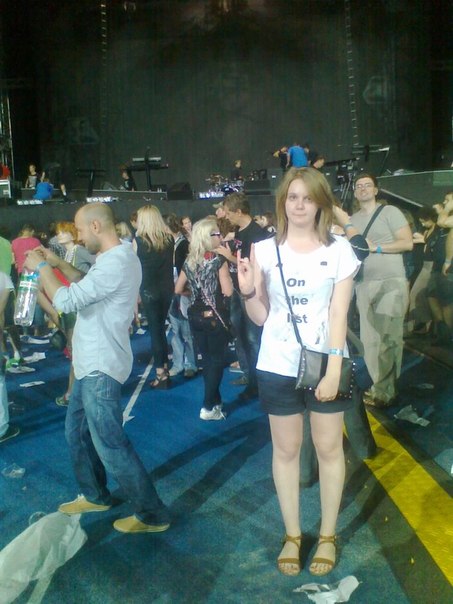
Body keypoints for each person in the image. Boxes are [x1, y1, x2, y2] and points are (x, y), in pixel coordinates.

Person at [237, 167, 360, 576]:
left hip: (326, 363)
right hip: (277, 364)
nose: (300, 205)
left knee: (329, 449)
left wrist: (333, 370)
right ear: (282, 202)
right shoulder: (263, 250)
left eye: (308, 198)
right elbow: (261, 317)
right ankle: (292, 534)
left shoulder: (340, 250)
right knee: (286, 451)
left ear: (321, 203)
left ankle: (327, 535)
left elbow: (339, 313)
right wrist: (247, 290)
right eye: (293, 197)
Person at [24, 202, 170, 534]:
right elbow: (86, 282)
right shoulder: (116, 257)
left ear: (95, 227)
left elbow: (66, 301)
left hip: (101, 366)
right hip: (91, 363)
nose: (77, 237)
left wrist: (42, 268)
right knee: (76, 433)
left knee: (110, 444)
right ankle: (95, 495)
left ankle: (152, 514)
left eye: (78, 229)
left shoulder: (116, 262)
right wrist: (58, 263)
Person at [350, 173, 413, 407]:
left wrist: (375, 248)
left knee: (388, 338)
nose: (363, 189)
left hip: (390, 281)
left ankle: (385, 391)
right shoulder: (352, 220)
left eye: (368, 185)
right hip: (363, 283)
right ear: (355, 192)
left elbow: (407, 242)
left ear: (376, 190)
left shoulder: (390, 212)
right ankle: (380, 385)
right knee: (370, 341)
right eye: (359, 186)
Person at [175, 217, 233, 420]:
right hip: (215, 317)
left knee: (207, 361)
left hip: (194, 316)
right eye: (217, 233)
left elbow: (178, 288)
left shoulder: (189, 261)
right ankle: (208, 406)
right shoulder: (219, 260)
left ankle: (215, 403)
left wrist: (194, 294)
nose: (220, 236)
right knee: (216, 361)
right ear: (209, 237)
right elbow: (227, 291)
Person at [221, 192, 270, 400]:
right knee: (240, 336)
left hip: (251, 294)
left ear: (239, 211)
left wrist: (228, 256)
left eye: (229, 212)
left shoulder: (256, 234)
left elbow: (251, 267)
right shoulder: (240, 232)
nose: (226, 216)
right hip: (238, 291)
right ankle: (249, 377)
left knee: (252, 339)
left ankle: (259, 384)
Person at [53, 221, 96, 406]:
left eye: (64, 232)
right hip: (72, 306)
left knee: (76, 352)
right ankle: (74, 392)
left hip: (81, 307)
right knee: (74, 351)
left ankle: (72, 393)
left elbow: (97, 265)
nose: (60, 235)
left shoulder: (80, 251)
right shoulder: (68, 253)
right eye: (58, 232)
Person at [133, 205, 174, 388]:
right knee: (161, 330)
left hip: (148, 290)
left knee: (156, 331)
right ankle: (164, 368)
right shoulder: (169, 239)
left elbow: (134, 268)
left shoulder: (139, 241)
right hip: (166, 289)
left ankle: (160, 374)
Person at [164, 213, 197, 379]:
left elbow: (190, 268)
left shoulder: (184, 244)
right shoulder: (166, 244)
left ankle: (191, 364)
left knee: (186, 330)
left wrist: (187, 289)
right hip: (171, 290)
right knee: (175, 329)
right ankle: (178, 364)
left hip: (183, 291)